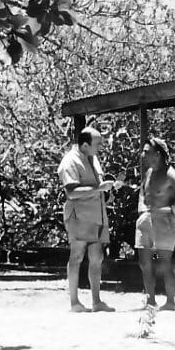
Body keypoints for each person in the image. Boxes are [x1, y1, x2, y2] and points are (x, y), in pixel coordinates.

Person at [57, 127, 118, 313]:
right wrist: (99, 189)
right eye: (98, 143)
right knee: (76, 256)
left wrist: (108, 193)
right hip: (79, 217)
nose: (101, 146)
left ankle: (96, 301)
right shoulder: (69, 161)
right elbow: (72, 192)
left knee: (97, 257)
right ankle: (74, 303)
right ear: (85, 145)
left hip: (97, 216)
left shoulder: (93, 159)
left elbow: (96, 187)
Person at [136, 137, 175, 311]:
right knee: (144, 262)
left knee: (164, 262)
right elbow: (143, 193)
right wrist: (143, 211)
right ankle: (150, 300)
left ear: (157, 154)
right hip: (146, 220)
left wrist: (172, 206)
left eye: (147, 151)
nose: (143, 155)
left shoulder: (169, 173)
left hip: (164, 221)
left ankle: (170, 302)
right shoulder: (148, 172)